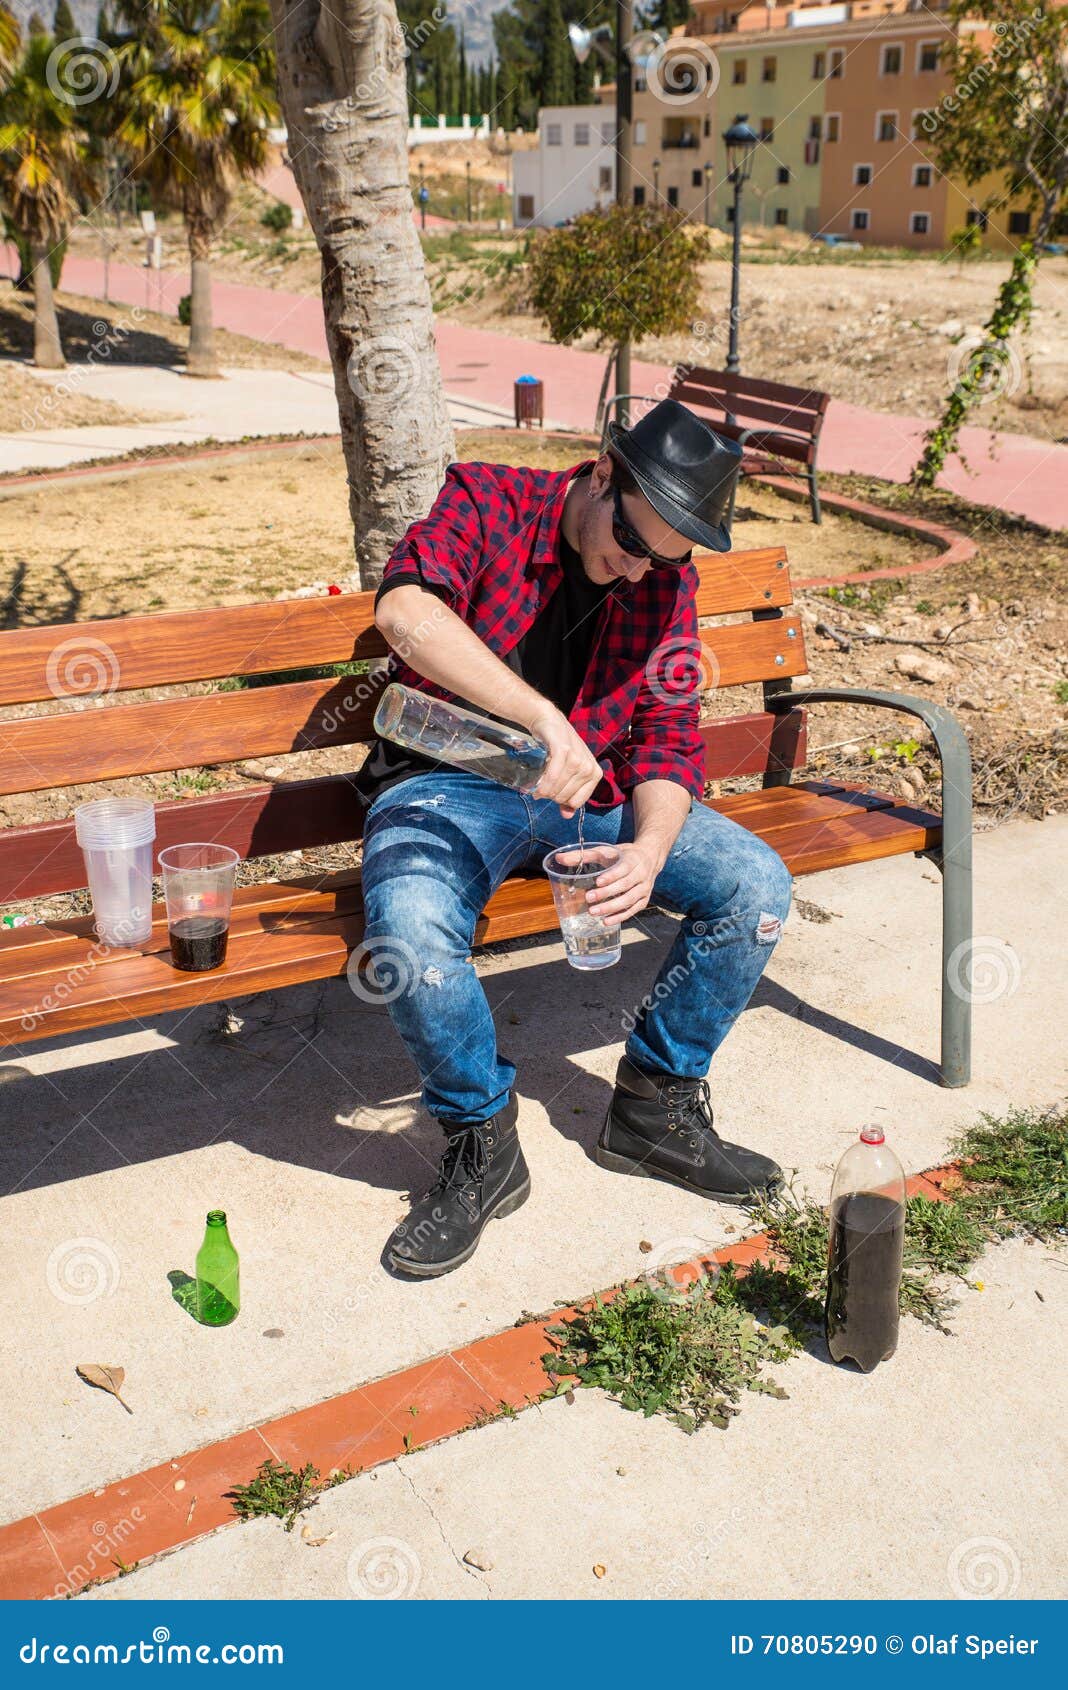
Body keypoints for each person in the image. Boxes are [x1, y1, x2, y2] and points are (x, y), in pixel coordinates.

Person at [355, 399, 792, 1279]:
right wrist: (540, 717)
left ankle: (653, 1107)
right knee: (406, 930)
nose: (635, 574)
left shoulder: (663, 577)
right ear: (600, 476)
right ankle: (483, 1137)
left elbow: (670, 730)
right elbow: (405, 614)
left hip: (594, 797)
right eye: (631, 545)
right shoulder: (486, 499)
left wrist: (651, 851)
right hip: (449, 784)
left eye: (659, 561)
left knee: (755, 884)